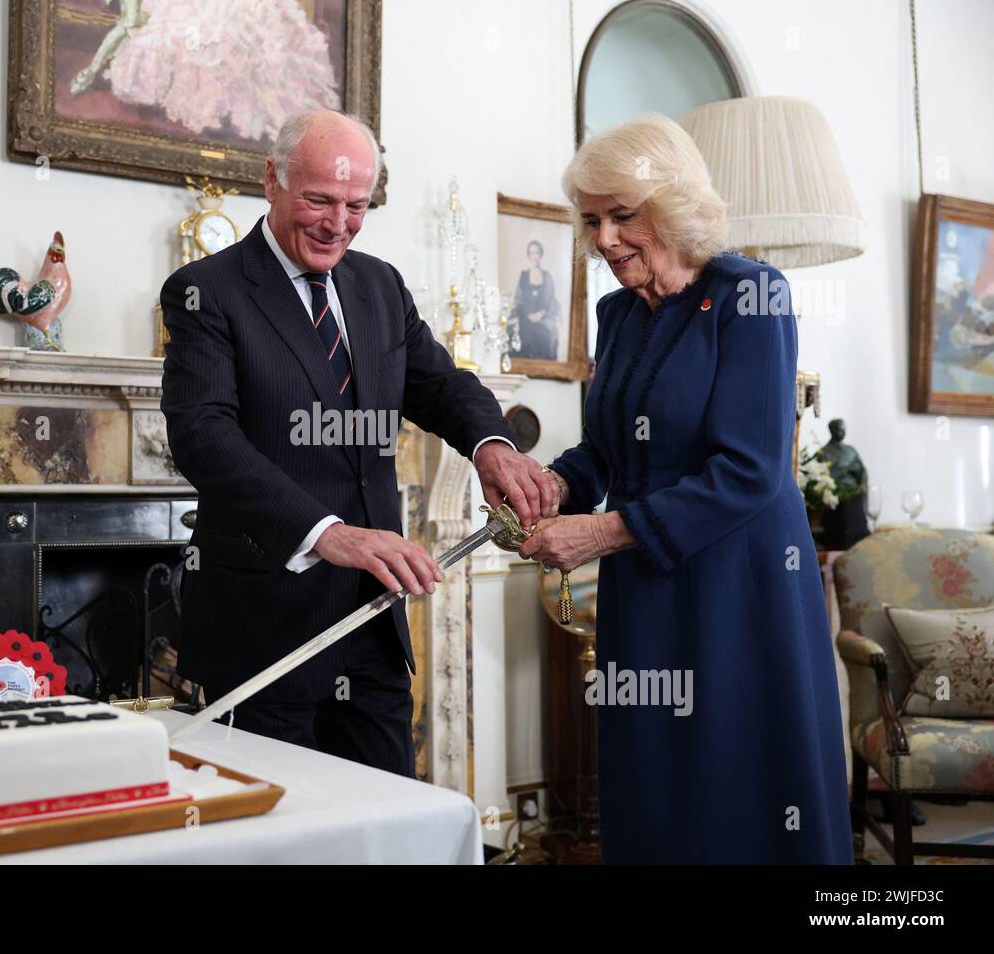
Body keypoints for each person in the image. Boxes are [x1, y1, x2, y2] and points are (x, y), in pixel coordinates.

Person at [160, 110, 556, 776]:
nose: (337, 222)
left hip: (372, 620)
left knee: (389, 818)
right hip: (261, 629)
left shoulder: (379, 285)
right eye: (319, 200)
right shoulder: (206, 291)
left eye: (356, 205)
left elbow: (437, 384)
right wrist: (326, 533)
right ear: (273, 181)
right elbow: (203, 435)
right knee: (281, 840)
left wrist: (492, 445)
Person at [518, 114, 852, 863]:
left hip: (741, 582)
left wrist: (598, 534)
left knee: (733, 774)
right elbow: (606, 448)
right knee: (654, 775)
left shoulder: (751, 294)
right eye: (592, 219)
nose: (604, 239)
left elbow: (750, 469)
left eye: (623, 216)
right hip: (647, 583)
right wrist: (550, 486)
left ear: (672, 207)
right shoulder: (614, 314)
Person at [509, 239, 561, 359]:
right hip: (525, 317)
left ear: (541, 254)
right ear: (528, 255)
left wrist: (540, 314)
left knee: (547, 333)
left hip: (542, 317)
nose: (534, 256)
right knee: (520, 332)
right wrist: (528, 315)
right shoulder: (524, 275)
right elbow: (519, 299)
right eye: (532, 253)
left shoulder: (547, 276)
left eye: (536, 252)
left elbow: (549, 299)